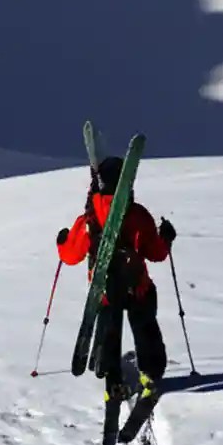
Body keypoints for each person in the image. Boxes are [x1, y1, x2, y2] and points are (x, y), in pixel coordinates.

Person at [56, 156, 176, 397]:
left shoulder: (89, 219)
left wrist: (62, 242)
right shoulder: (138, 214)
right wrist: (166, 238)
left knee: (110, 331)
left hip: (105, 291)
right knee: (145, 326)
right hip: (137, 286)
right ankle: (150, 373)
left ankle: (113, 382)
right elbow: (155, 253)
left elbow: (70, 256)